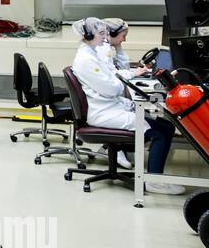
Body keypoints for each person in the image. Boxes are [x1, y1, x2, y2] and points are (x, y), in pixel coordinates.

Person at [70, 17, 174, 174]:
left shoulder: (93, 54)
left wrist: (122, 78)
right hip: (103, 112)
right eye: (101, 33)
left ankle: (154, 174)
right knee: (162, 131)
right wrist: (121, 81)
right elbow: (112, 88)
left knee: (165, 126)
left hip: (110, 106)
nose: (105, 37)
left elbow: (113, 75)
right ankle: (154, 180)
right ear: (89, 35)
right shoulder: (86, 60)